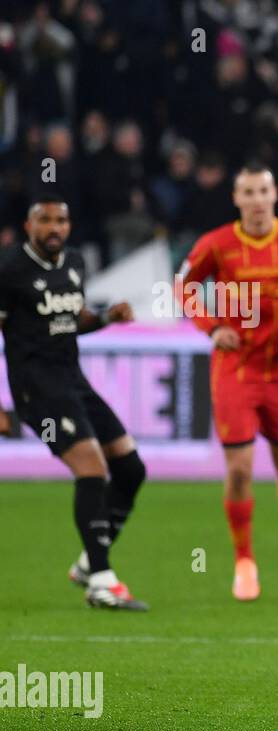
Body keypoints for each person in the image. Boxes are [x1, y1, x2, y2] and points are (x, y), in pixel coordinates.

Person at [176, 161, 278, 601]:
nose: (255, 201)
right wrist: (211, 327)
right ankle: (244, 562)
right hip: (236, 370)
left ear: (274, 195)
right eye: (247, 193)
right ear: (236, 199)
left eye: (262, 191)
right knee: (240, 468)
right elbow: (185, 285)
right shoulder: (217, 244)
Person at [0, 195, 148, 609]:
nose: (54, 228)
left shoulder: (75, 263)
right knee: (92, 470)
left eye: (61, 220)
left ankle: (88, 562)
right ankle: (101, 581)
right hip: (36, 387)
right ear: (29, 226)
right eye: (44, 219)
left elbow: (70, 319)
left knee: (131, 469)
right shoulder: (10, 270)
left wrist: (104, 318)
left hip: (73, 379)